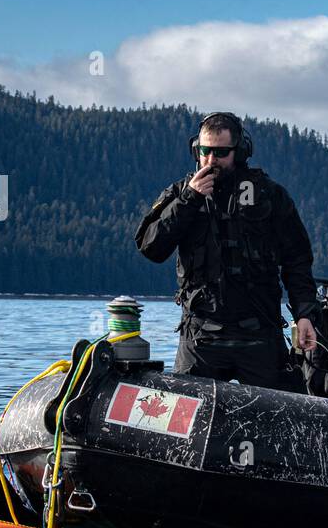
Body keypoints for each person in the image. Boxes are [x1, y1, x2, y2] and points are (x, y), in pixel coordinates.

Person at [134, 111, 318, 391]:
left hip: (259, 332)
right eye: (205, 151)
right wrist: (190, 200)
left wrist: (304, 313)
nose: (210, 160)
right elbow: (151, 247)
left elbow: (297, 260)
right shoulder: (181, 193)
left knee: (282, 420)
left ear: (240, 152)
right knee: (183, 421)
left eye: (220, 153)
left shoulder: (269, 195)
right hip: (201, 335)